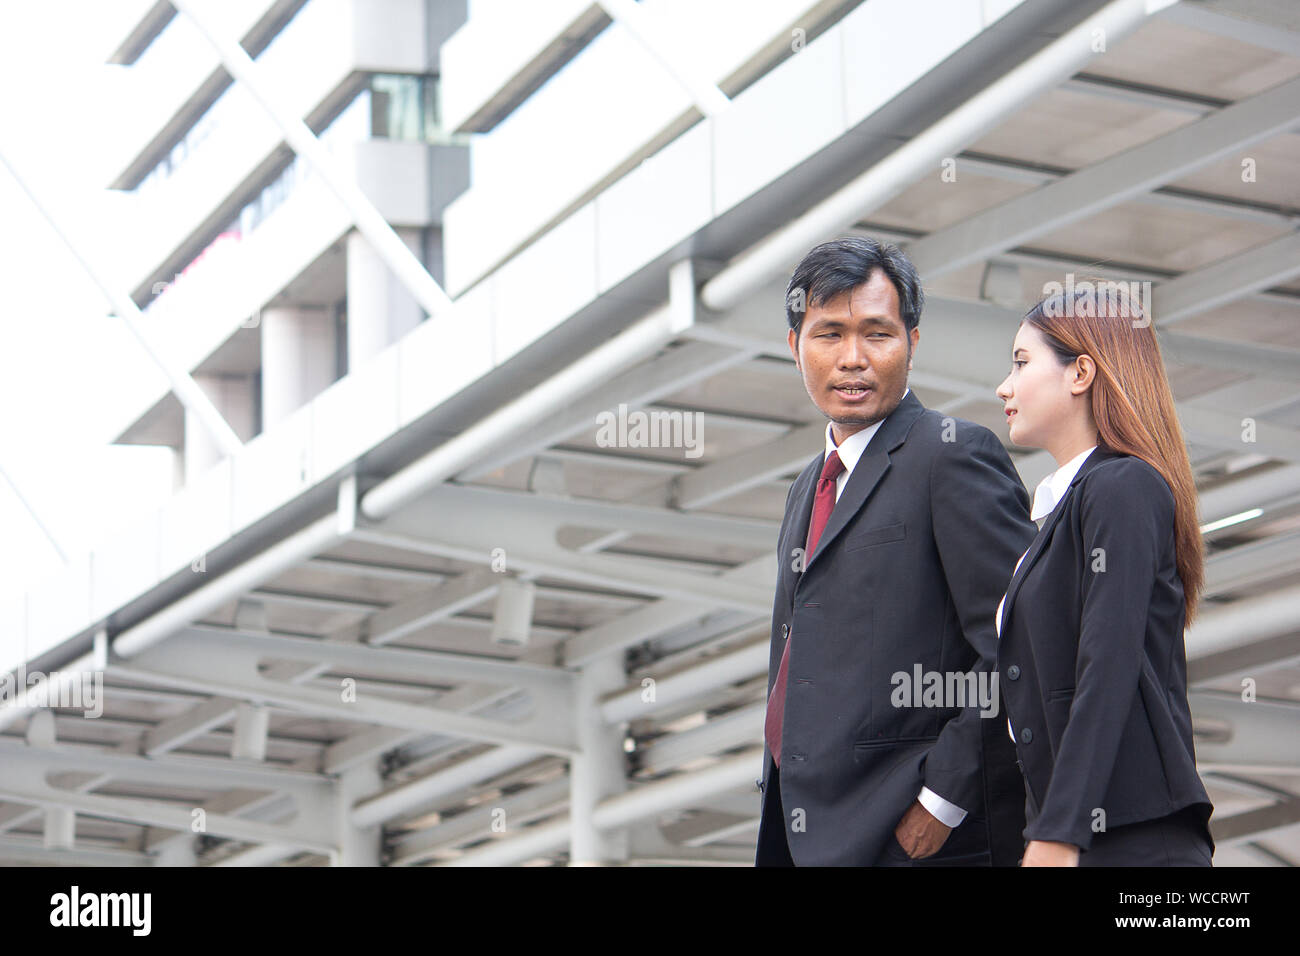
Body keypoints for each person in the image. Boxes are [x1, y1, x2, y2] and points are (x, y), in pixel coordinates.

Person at [756, 237, 1036, 867]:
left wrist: (941, 801)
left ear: (913, 341)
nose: (852, 358)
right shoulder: (808, 486)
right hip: (808, 833)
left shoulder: (952, 455)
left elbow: (1023, 644)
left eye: (876, 333)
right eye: (829, 333)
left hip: (922, 838)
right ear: (794, 347)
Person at [993, 285, 1215, 867]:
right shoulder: (1064, 510)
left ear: (1080, 372)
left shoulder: (1122, 486)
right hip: (1087, 835)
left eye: (1021, 363)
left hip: (1134, 839)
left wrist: (1059, 831)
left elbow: (1108, 661)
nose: (1004, 386)